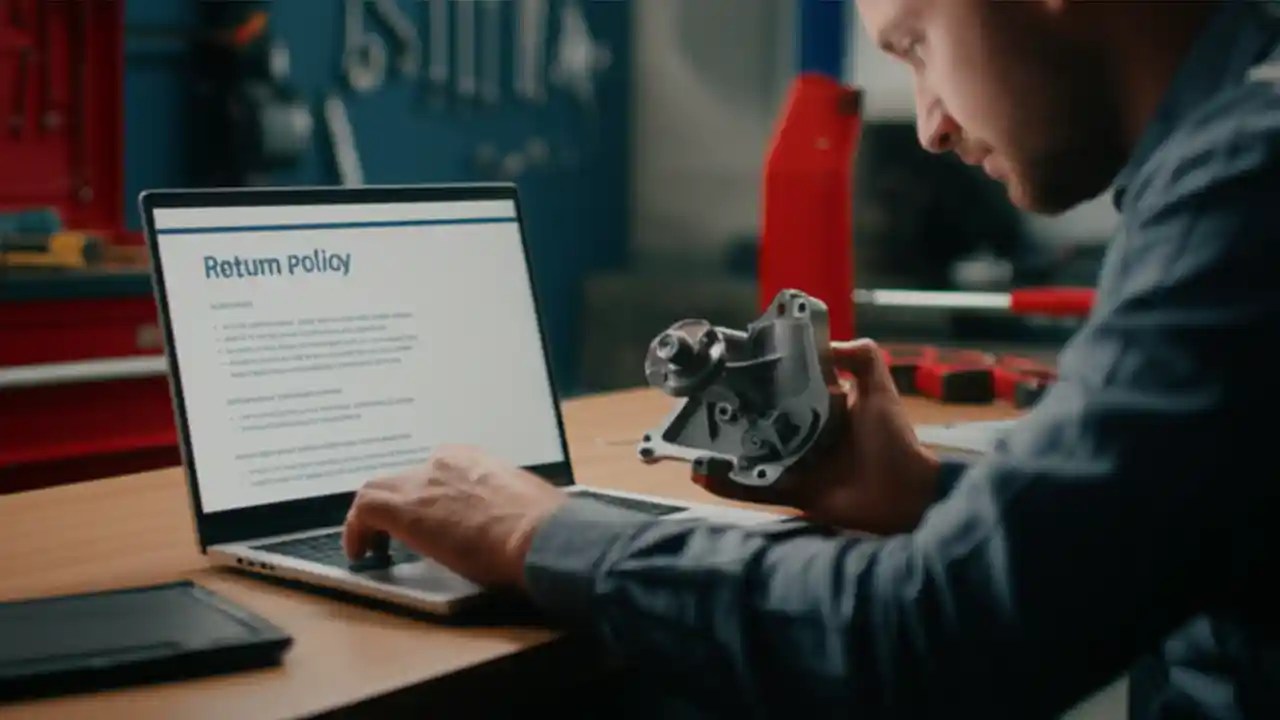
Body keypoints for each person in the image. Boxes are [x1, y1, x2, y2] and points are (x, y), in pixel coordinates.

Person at [341, 0, 1280, 717]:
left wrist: (546, 536)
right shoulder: (1230, 154)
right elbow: (1126, 554)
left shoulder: (1247, 185)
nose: (930, 125)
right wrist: (929, 499)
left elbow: (932, 638)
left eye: (916, 45)